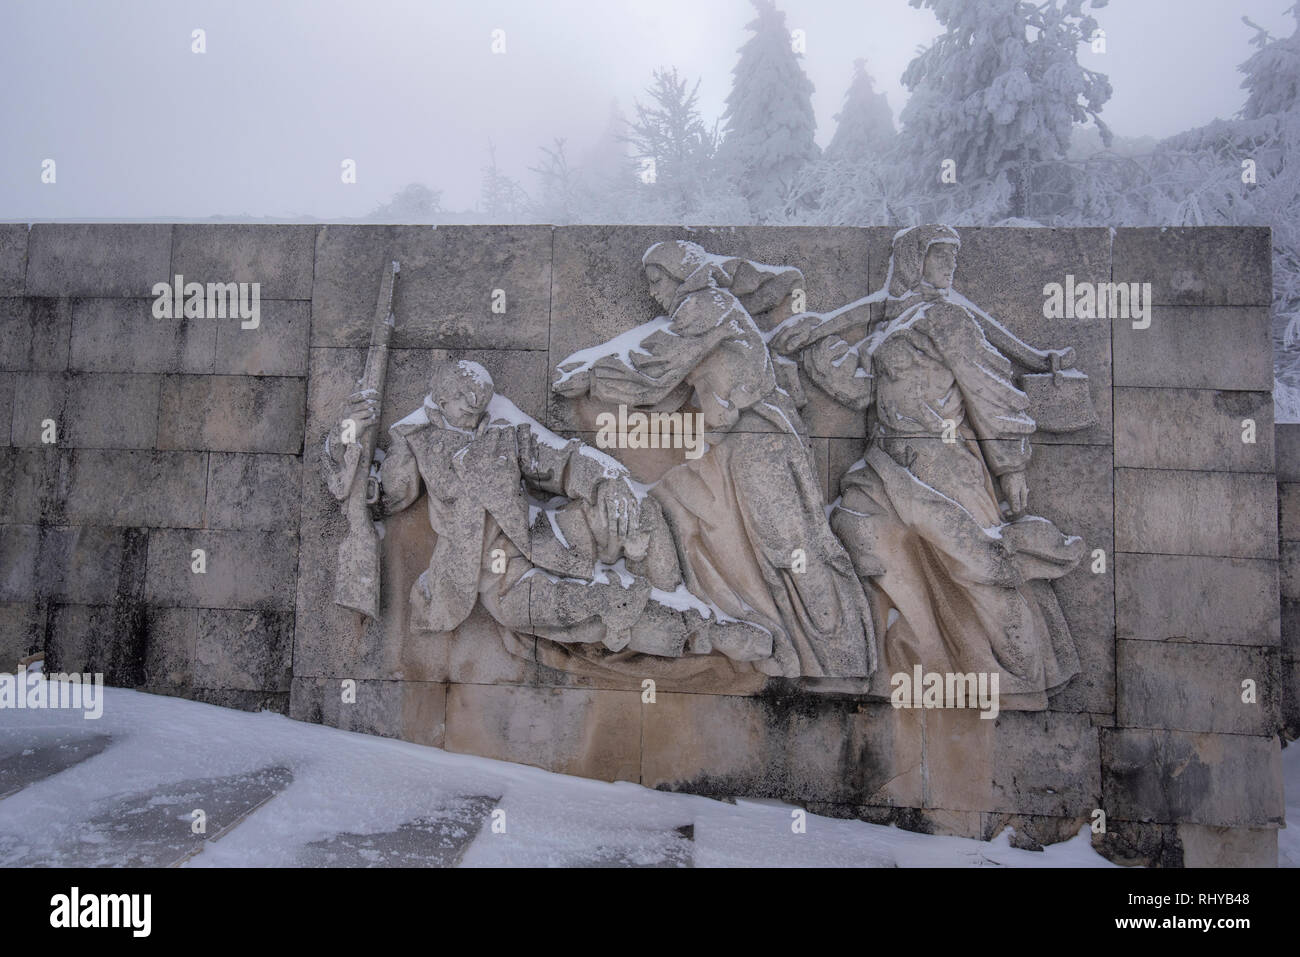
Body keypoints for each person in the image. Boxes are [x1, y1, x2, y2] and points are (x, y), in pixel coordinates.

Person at [771, 225, 1085, 709]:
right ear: (914, 259)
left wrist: (1011, 466)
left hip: (944, 462)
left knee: (977, 565)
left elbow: (989, 390)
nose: (949, 268)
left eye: (953, 259)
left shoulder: (948, 318)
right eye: (941, 258)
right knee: (858, 530)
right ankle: (898, 657)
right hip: (888, 460)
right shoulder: (894, 324)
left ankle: (1022, 670)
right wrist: (818, 344)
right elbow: (861, 391)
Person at [554, 240, 876, 679]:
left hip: (759, 437)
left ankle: (841, 654)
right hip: (730, 444)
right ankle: (773, 638)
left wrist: (592, 374)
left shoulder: (709, 305)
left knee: (789, 544)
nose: (653, 293)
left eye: (656, 280)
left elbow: (656, 361)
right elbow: (666, 387)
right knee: (707, 522)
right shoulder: (705, 311)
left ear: (680, 274)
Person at [324, 360, 684, 655]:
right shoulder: (415, 438)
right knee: (527, 608)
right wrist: (347, 435)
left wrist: (607, 479)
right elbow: (383, 496)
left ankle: (674, 605)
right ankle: (628, 610)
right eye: (466, 405)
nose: (474, 410)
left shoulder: (503, 427)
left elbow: (560, 460)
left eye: (480, 404)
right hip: (485, 565)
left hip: (539, 535)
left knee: (638, 510)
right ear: (443, 398)